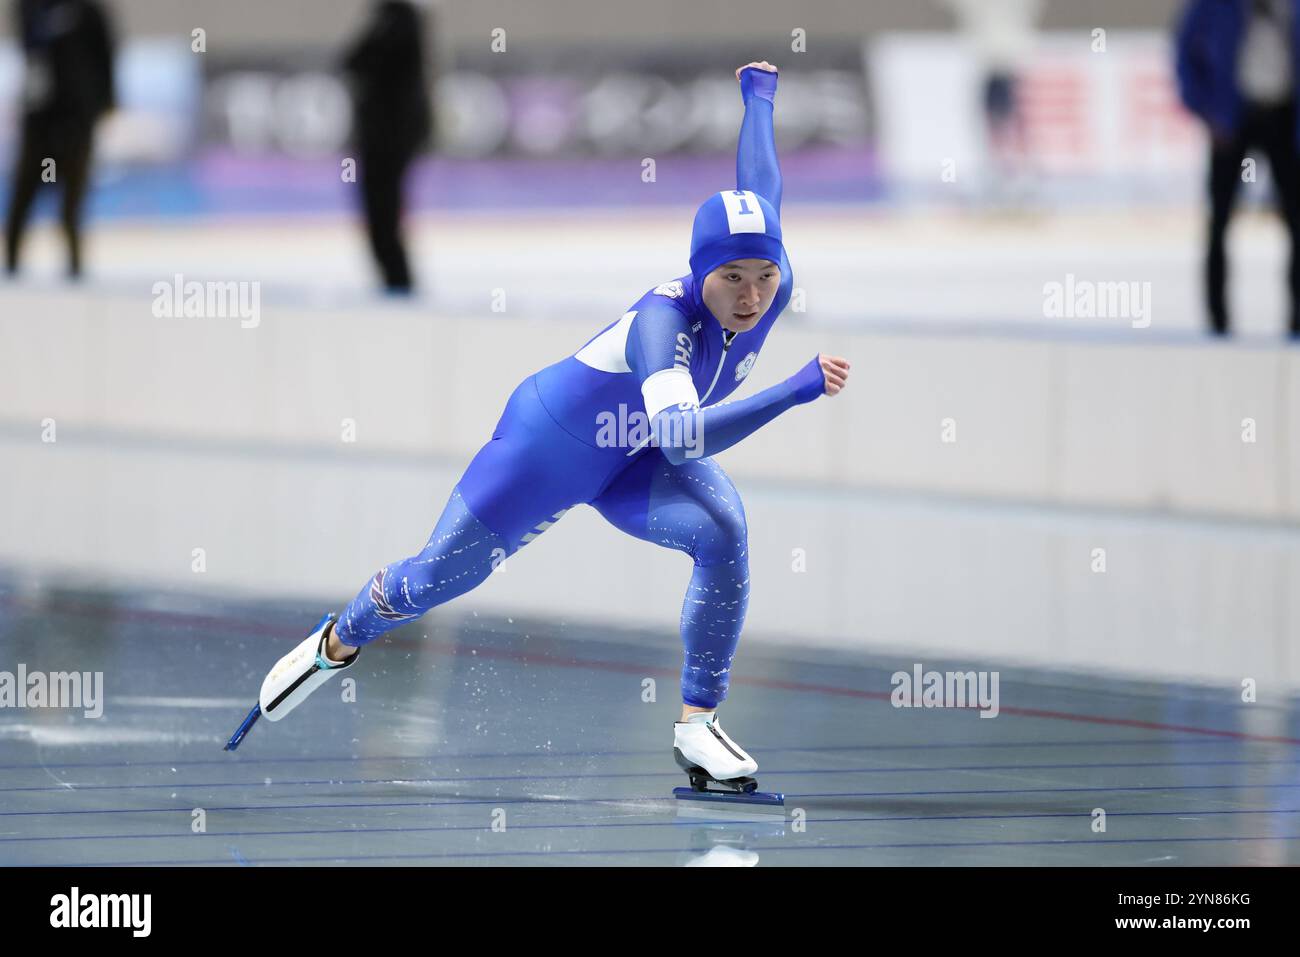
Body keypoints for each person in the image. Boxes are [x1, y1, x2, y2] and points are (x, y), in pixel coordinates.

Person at [231, 62, 851, 796]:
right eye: (731, 280)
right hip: (548, 447)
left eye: (765, 278)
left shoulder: (767, 266)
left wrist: (760, 97)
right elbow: (686, 439)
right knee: (434, 578)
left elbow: (761, 184)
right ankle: (339, 638)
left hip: (629, 454)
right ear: (698, 271)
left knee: (723, 530)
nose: (750, 298)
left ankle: (696, 723)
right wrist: (793, 389)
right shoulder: (664, 326)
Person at [1176, 0, 1300, 337]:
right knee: (1220, 221)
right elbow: (1185, 52)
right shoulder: (1215, 5)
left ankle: (1296, 319)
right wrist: (1207, 110)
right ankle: (1218, 321)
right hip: (1233, 120)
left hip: (1284, 119)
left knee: (1296, 219)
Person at [4, 0, 115, 279]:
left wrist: (101, 105)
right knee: (25, 191)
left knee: (73, 198)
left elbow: (105, 57)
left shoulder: (88, 11)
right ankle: (12, 266)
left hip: (77, 117)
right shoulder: (32, 8)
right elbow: (29, 47)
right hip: (40, 117)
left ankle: (75, 267)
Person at [341, 0, 433, 294]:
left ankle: (398, 279)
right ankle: (395, 278)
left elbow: (356, 61)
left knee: (383, 208)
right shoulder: (393, 20)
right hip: (386, 136)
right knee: (381, 209)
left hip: (389, 137)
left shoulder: (400, 21)